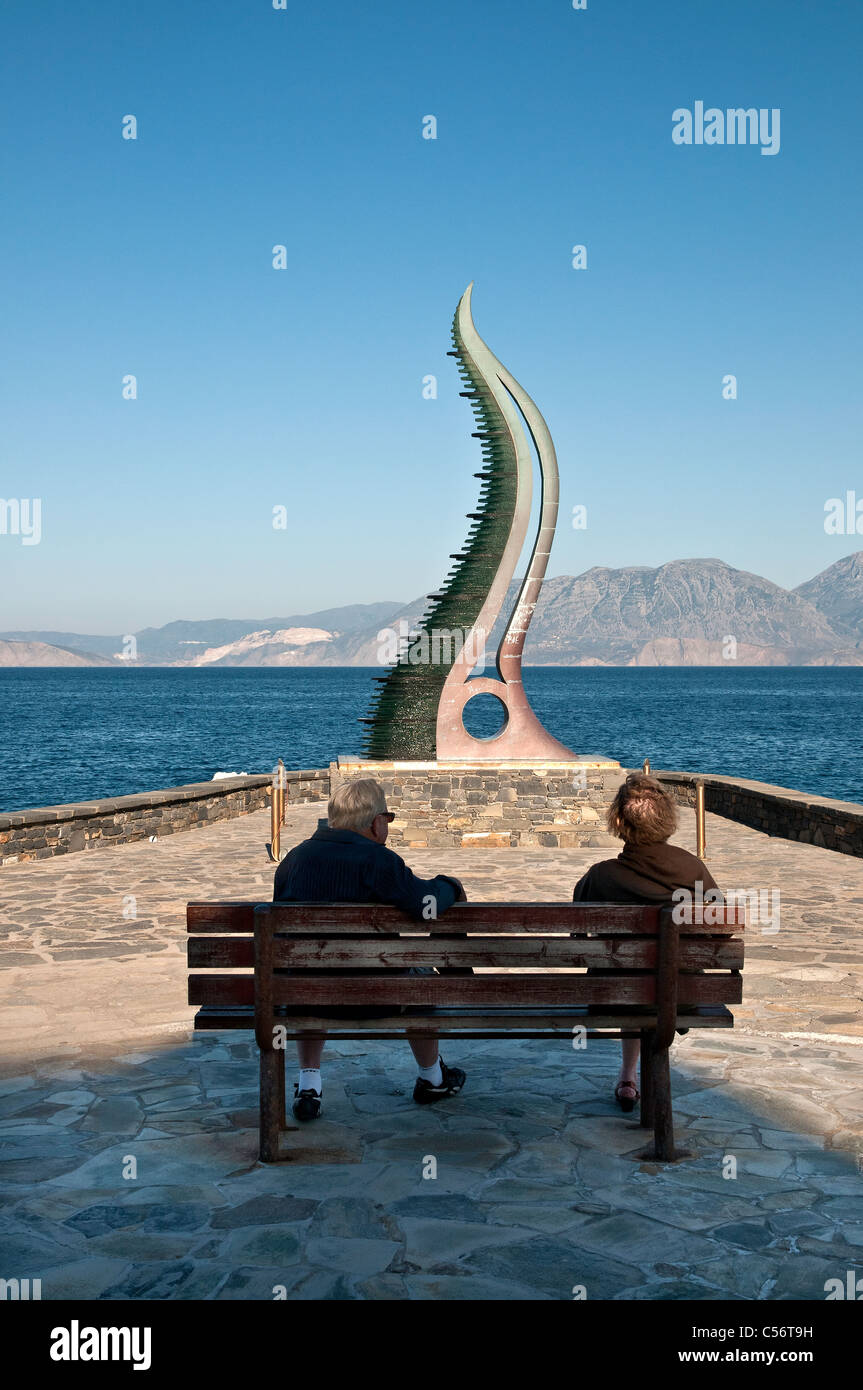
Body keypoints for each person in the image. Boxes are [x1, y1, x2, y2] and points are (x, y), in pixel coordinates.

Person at [273, 777, 468, 1120]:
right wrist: (449, 885)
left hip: (305, 993)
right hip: (379, 993)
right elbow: (426, 905)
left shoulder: (293, 861)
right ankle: (432, 1077)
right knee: (422, 979)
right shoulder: (380, 862)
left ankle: (309, 1085)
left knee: (309, 970)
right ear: (376, 823)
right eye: (387, 819)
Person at [571, 772, 720, 1112]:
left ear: (619, 822)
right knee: (653, 982)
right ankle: (635, 1076)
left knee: (630, 980)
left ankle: (627, 1076)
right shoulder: (692, 869)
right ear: (667, 820)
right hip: (681, 997)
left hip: (614, 997)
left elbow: (577, 928)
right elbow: (720, 927)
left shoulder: (601, 877)